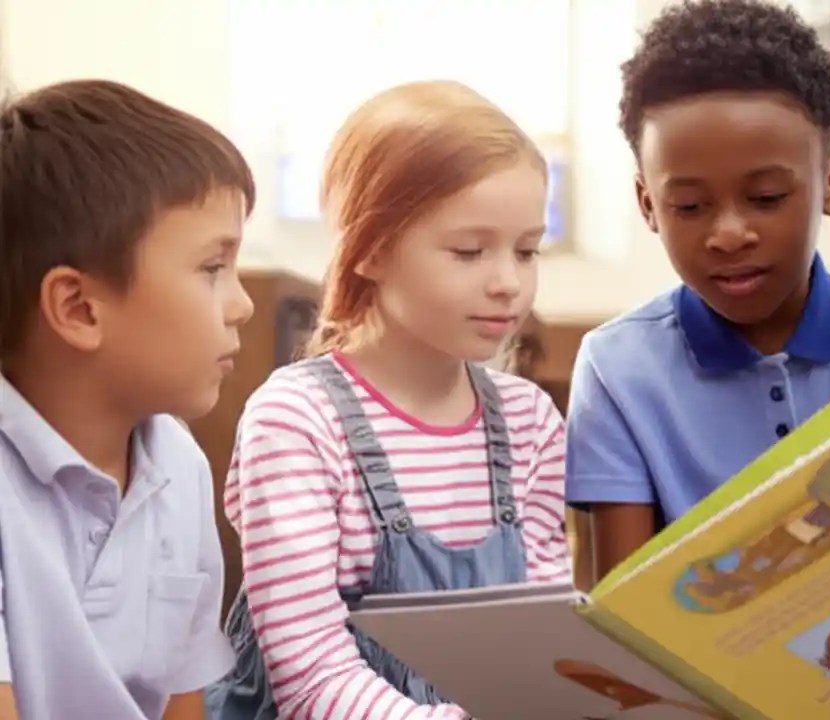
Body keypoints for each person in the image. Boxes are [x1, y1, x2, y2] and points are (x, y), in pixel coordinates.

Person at [203, 80, 570, 719]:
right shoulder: (297, 420)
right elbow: (309, 674)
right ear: (370, 248)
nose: (509, 282)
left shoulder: (529, 421)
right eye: (468, 251)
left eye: (527, 249)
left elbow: (538, 643)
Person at [565, 0, 830, 585]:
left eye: (767, 197)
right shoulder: (617, 368)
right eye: (690, 207)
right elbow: (621, 605)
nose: (728, 234)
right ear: (648, 206)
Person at [0, 80, 254, 718]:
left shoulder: (180, 463)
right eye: (211, 268)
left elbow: (180, 703)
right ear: (79, 308)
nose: (242, 304)